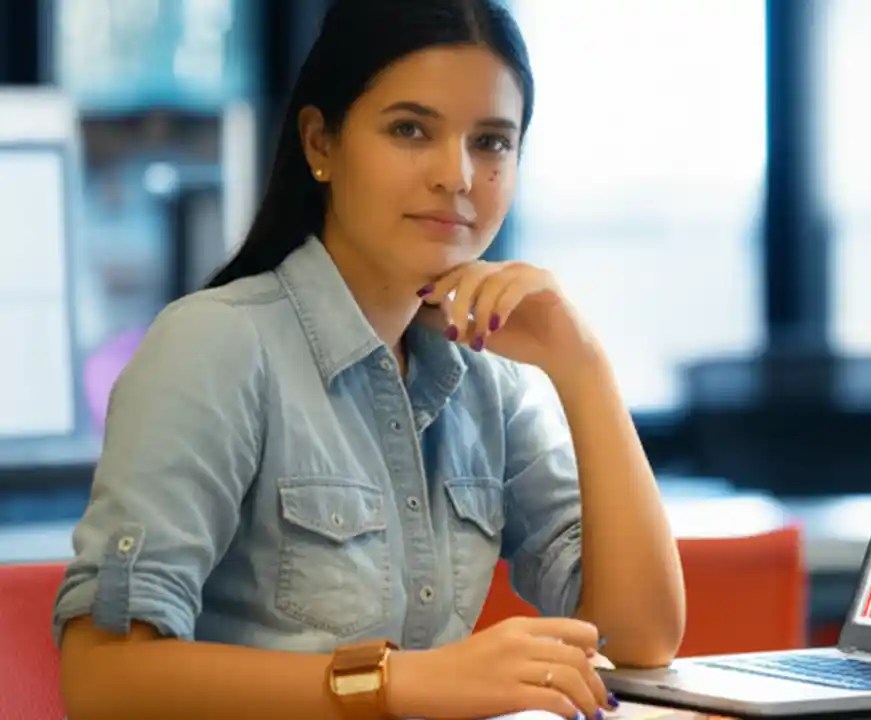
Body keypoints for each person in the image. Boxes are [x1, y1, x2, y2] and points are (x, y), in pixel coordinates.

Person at [52, 1, 686, 718]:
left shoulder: (492, 380)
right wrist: (401, 682)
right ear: (320, 142)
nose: (457, 175)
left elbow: (640, 640)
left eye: (491, 142)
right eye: (410, 129)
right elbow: (103, 679)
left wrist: (584, 369)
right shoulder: (215, 346)